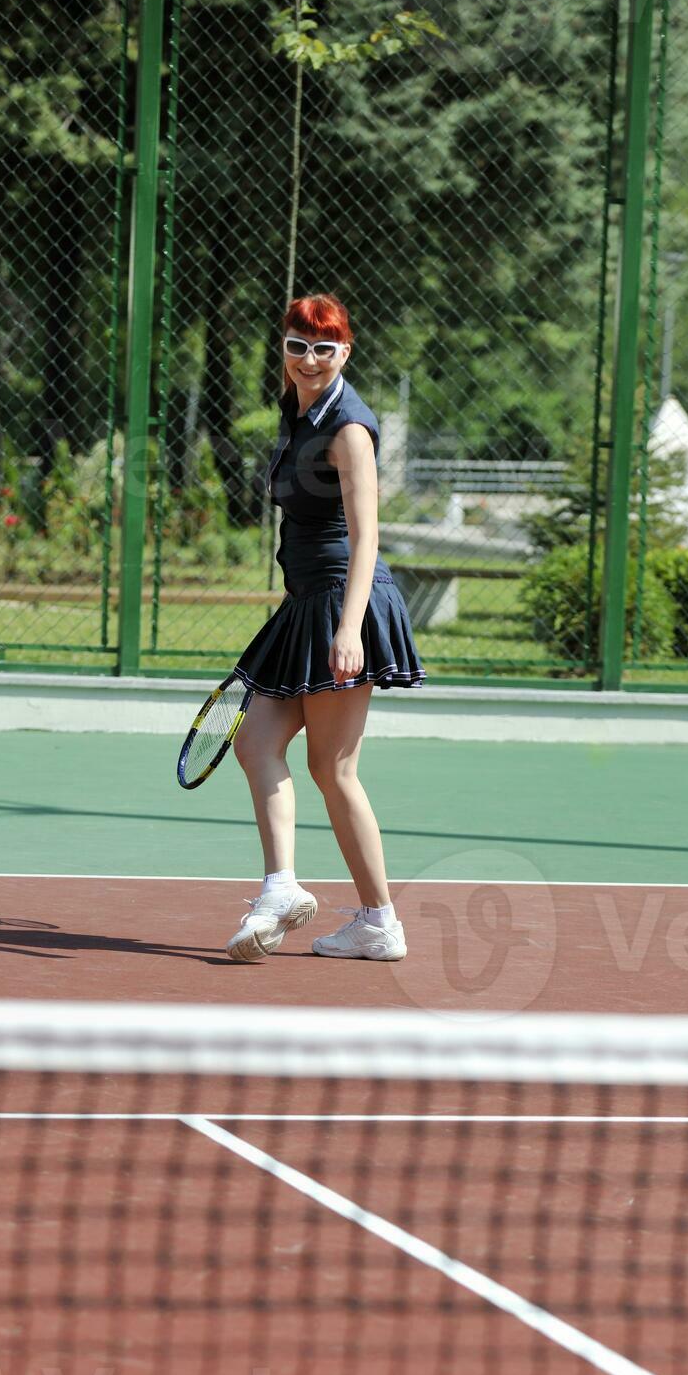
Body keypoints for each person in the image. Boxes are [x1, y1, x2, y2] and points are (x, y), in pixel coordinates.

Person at [225, 293, 426, 965]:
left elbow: (367, 537)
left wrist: (349, 629)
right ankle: (280, 887)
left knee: (333, 768)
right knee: (256, 743)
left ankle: (380, 922)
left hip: (346, 602)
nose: (308, 359)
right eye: (297, 346)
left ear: (345, 352)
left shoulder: (348, 428)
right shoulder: (298, 411)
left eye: (323, 348)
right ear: (283, 348)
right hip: (306, 602)